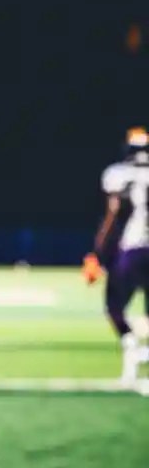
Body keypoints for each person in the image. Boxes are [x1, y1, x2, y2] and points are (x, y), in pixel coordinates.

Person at [89, 127, 149, 386]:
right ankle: (138, 355)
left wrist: (97, 252)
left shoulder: (118, 174)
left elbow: (112, 216)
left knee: (114, 307)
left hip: (134, 248)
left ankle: (132, 347)